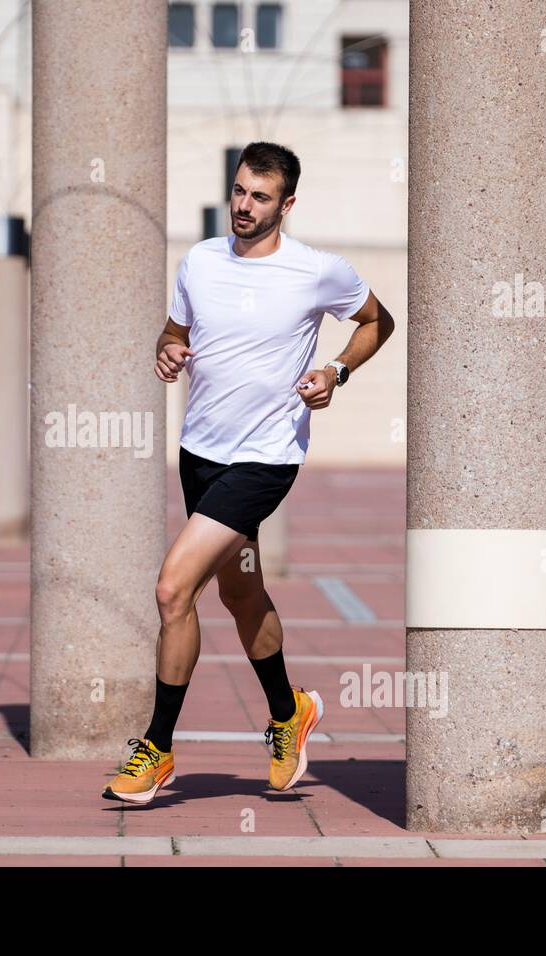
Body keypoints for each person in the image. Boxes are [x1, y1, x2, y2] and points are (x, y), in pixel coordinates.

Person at [102, 141, 396, 805]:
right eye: (239, 191)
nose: (244, 205)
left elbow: (379, 321)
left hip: (266, 458)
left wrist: (335, 372)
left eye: (260, 197)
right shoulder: (200, 261)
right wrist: (170, 351)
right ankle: (290, 712)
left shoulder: (318, 271)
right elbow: (171, 332)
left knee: (173, 589)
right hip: (199, 452)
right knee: (240, 595)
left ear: (286, 205)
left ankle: (158, 749)